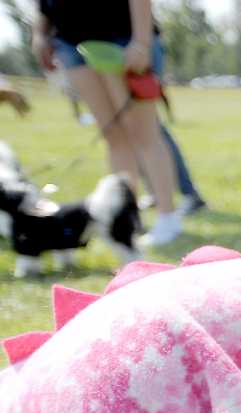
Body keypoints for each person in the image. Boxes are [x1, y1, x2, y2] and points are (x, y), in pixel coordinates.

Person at [31, 0, 184, 246]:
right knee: (113, 136)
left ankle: (167, 217)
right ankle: (127, 218)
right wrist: (40, 34)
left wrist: (141, 42)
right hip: (71, 42)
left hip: (124, 38)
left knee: (144, 133)